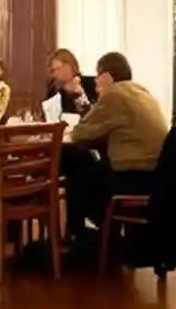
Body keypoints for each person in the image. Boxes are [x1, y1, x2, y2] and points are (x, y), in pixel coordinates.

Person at [63, 52, 168, 237]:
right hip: (156, 176)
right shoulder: (141, 92)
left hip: (133, 179)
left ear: (106, 77)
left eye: (97, 77)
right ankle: (106, 238)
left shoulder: (114, 95)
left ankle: (79, 238)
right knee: (90, 166)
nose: (95, 84)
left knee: (76, 174)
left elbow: (81, 133)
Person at [47, 48, 98, 117]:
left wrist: (78, 93)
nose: (55, 74)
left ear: (70, 66)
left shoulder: (91, 84)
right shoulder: (53, 90)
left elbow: (94, 113)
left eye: (58, 68)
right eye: (52, 71)